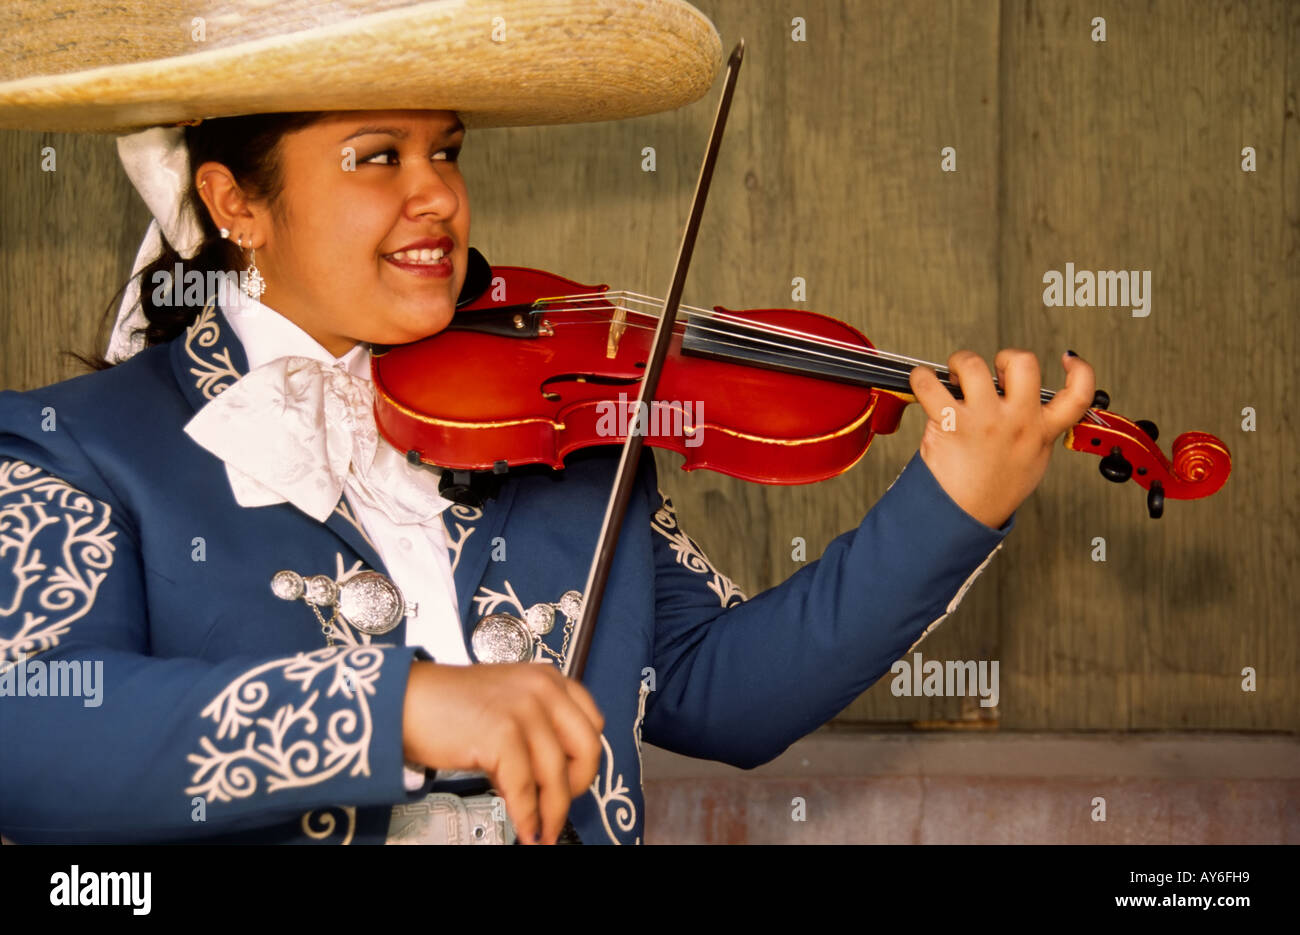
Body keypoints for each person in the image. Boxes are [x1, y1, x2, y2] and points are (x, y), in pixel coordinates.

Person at [0, 3, 1094, 846]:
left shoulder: (551, 429)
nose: (437, 195)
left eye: (448, 148)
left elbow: (726, 692)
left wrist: (953, 502)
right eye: (378, 156)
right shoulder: (78, 446)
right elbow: (30, 732)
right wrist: (404, 707)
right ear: (237, 202)